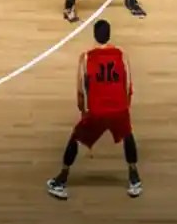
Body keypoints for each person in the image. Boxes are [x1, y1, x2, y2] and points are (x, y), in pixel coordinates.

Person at [46, 19, 142, 200]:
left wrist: (83, 111)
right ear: (110, 34)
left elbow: (81, 90)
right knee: (128, 134)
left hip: (97, 110)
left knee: (75, 138)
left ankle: (61, 180)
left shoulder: (86, 57)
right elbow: (129, 84)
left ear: (94, 36)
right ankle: (134, 178)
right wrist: (125, 107)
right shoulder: (122, 54)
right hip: (119, 108)